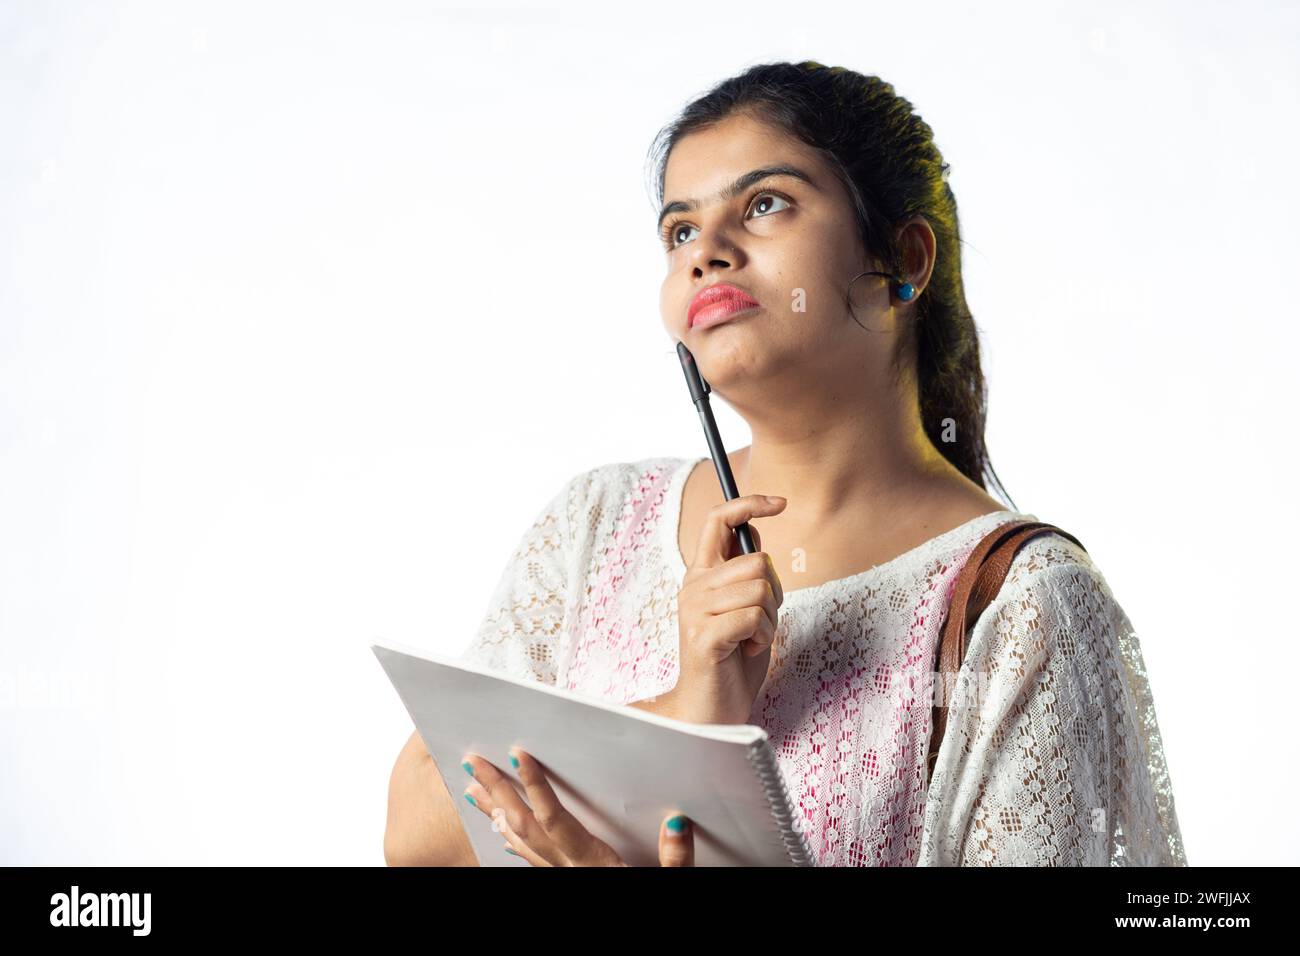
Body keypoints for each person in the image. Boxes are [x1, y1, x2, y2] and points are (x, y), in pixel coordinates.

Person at [383, 60, 1188, 867]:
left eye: (765, 205)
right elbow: (415, 844)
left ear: (904, 261)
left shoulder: (1024, 607)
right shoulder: (597, 522)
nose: (706, 254)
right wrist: (684, 716)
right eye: (680, 231)